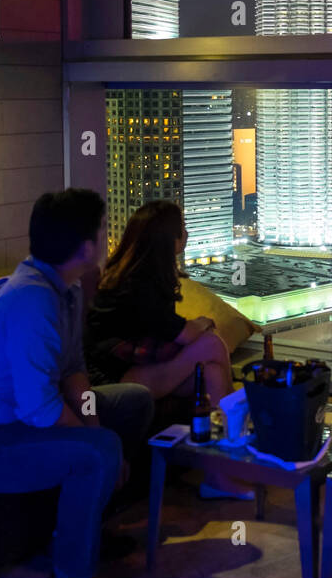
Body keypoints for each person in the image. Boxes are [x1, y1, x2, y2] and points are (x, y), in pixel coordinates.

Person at [0, 189, 154, 578]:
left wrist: (95, 426)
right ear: (85, 246)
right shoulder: (32, 299)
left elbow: (73, 372)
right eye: (101, 230)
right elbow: (41, 408)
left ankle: (84, 529)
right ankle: (70, 570)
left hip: (18, 420)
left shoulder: (66, 288)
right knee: (98, 452)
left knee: (132, 403)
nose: (106, 237)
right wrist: (98, 445)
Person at [85, 200, 251, 500]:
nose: (185, 236)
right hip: (117, 382)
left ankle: (219, 474)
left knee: (212, 373)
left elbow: (166, 335)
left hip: (141, 370)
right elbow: (185, 335)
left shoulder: (137, 274)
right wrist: (204, 321)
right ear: (169, 240)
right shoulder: (138, 284)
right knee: (211, 344)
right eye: (182, 231)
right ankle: (237, 439)